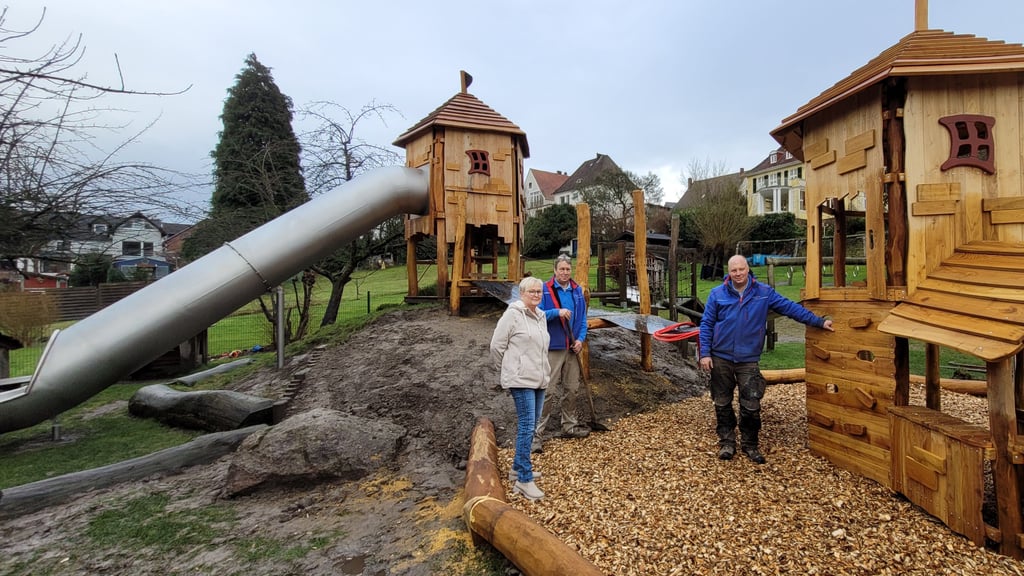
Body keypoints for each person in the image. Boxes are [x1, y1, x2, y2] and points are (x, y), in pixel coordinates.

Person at [698, 254, 834, 464]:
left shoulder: (763, 293)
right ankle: (727, 442)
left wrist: (818, 322)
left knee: (751, 403)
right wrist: (705, 353)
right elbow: (706, 324)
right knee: (722, 401)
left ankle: (750, 444)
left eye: (741, 269)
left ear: (747, 269)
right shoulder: (717, 294)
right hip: (721, 356)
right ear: (729, 272)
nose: (738, 274)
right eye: (734, 270)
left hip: (748, 358)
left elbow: (791, 308)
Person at [490, 276, 550, 501]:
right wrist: (508, 368)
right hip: (521, 379)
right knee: (526, 426)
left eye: (539, 291)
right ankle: (524, 479)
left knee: (532, 425)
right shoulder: (512, 315)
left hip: (539, 378)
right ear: (522, 293)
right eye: (531, 291)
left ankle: (517, 468)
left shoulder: (541, 316)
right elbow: (496, 346)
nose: (536, 295)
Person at [534, 253, 590, 453]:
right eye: (561, 269)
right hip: (553, 347)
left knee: (572, 388)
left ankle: (569, 426)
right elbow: (537, 314)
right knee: (547, 391)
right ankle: (536, 435)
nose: (565, 272)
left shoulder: (577, 291)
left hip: (572, 348)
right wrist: (556, 312)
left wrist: (580, 340)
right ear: (555, 270)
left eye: (568, 269)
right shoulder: (544, 290)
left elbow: (582, 320)